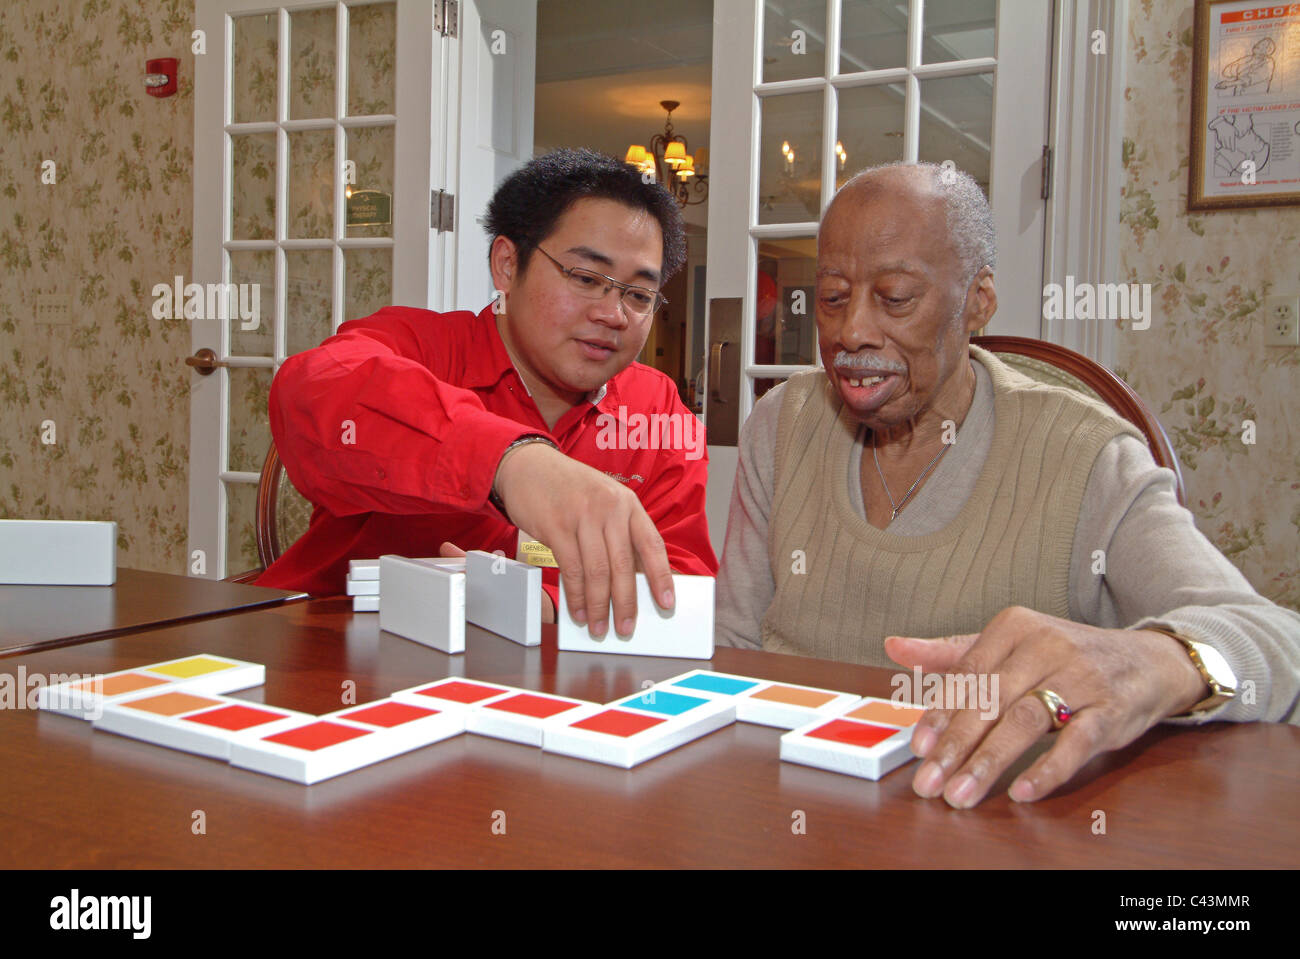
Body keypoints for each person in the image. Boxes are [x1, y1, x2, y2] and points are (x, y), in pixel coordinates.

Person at [715, 161, 1300, 808]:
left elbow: (1274, 641)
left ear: (979, 301)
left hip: (999, 817)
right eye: (831, 296)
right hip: (796, 808)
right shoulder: (781, 424)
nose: (851, 330)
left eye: (897, 297)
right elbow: (732, 654)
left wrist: (1152, 660)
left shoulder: (1086, 454)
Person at [258, 148, 717, 634]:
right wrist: (512, 462)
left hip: (550, 690)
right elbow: (311, 390)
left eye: (639, 295)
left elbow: (683, 588)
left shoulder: (656, 409)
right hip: (337, 656)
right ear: (506, 264)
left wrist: (546, 607)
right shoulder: (423, 349)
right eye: (585, 278)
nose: (614, 314)